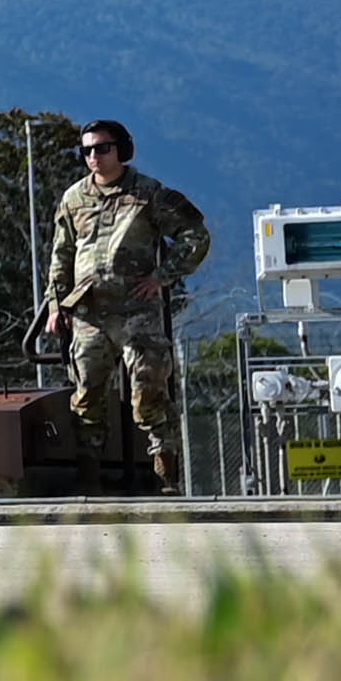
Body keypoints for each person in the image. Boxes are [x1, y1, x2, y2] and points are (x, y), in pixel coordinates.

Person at [38, 120, 211, 489]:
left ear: (122, 150)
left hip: (136, 312)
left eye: (102, 148)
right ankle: (90, 485)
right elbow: (61, 255)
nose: (94, 156)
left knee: (149, 390)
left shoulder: (148, 193)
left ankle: (166, 477)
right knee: (87, 398)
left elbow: (195, 234)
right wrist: (56, 306)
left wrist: (162, 276)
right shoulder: (74, 198)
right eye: (87, 150)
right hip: (89, 314)